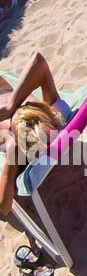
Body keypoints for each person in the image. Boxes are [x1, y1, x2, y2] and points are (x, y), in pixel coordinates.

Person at [0, 53, 68, 226]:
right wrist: (11, 107)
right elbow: (38, 60)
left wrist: (11, 149)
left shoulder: (14, 148)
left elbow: (4, 207)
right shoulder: (57, 112)